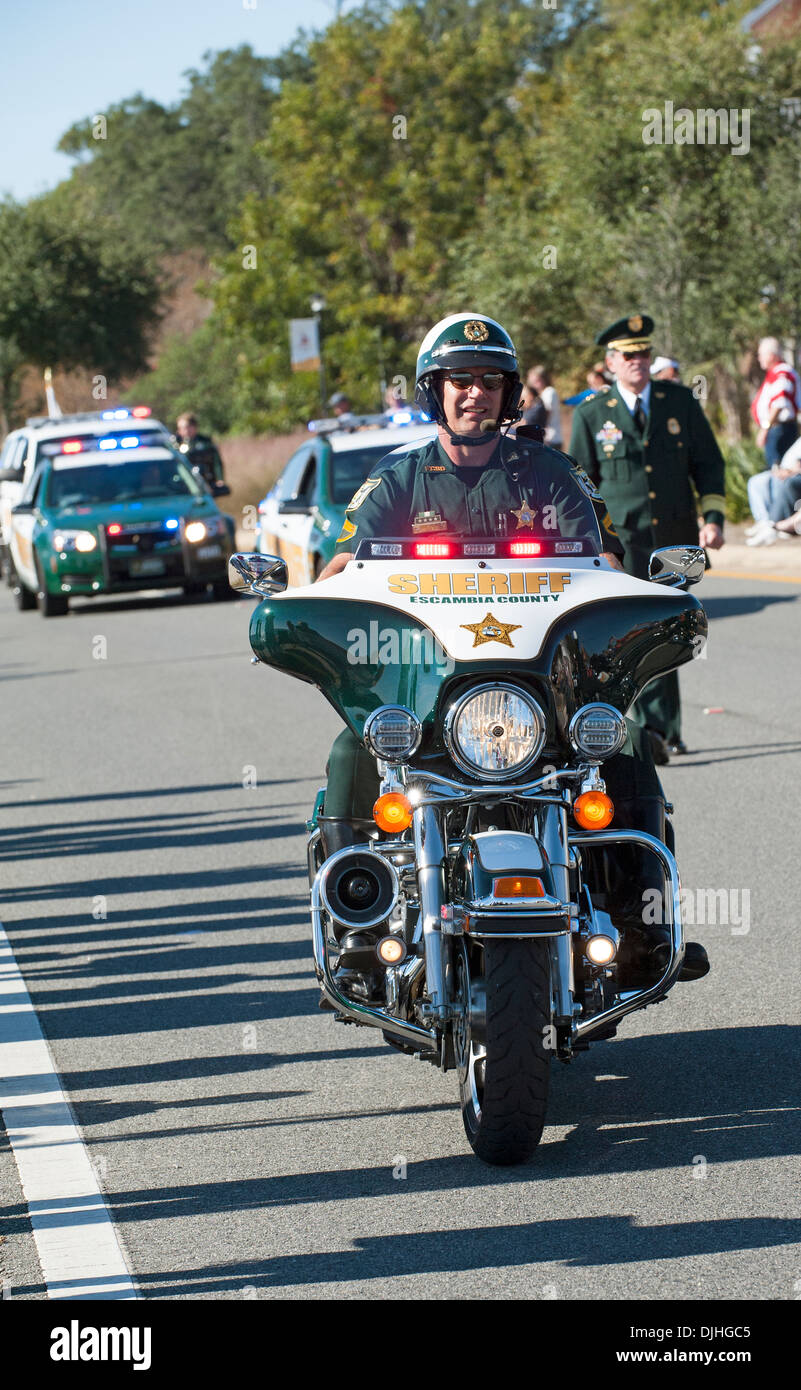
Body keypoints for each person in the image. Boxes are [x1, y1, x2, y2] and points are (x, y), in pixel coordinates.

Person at [316, 311, 709, 984]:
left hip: (544, 694)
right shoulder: (397, 479)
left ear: (508, 393)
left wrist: (644, 603)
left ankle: (643, 927)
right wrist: (308, 608)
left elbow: (607, 564)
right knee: (352, 749)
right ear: (433, 390)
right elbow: (339, 572)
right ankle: (359, 926)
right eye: (460, 381)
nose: (475, 394)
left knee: (627, 745)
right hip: (428, 699)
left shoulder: (552, 474)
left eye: (490, 381)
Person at [569, 313, 725, 762]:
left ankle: (662, 731)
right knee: (630, 634)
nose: (638, 361)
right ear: (611, 362)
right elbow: (580, 485)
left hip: (674, 539)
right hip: (622, 544)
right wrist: (594, 546)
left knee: (668, 629)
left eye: (644, 354)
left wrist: (714, 517)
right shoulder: (592, 412)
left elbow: (708, 463)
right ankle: (636, 728)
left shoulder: (678, 401)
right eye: (628, 355)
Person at [750, 338, 799, 468]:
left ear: (771, 355)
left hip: (780, 429)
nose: (759, 358)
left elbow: (779, 403)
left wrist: (765, 428)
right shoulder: (775, 373)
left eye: (761, 354)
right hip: (777, 429)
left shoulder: (782, 372)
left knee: (779, 471)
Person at [173, 413, 225, 489]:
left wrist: (220, 479)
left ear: (194, 427)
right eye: (180, 428)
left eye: (186, 427)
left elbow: (216, 461)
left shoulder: (206, 442)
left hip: (206, 481)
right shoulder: (175, 444)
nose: (183, 430)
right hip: (184, 484)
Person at [526, 365, 562, 447]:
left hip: (551, 439)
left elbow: (546, 414)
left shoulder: (549, 392)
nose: (534, 384)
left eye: (537, 380)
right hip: (546, 438)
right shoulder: (541, 394)